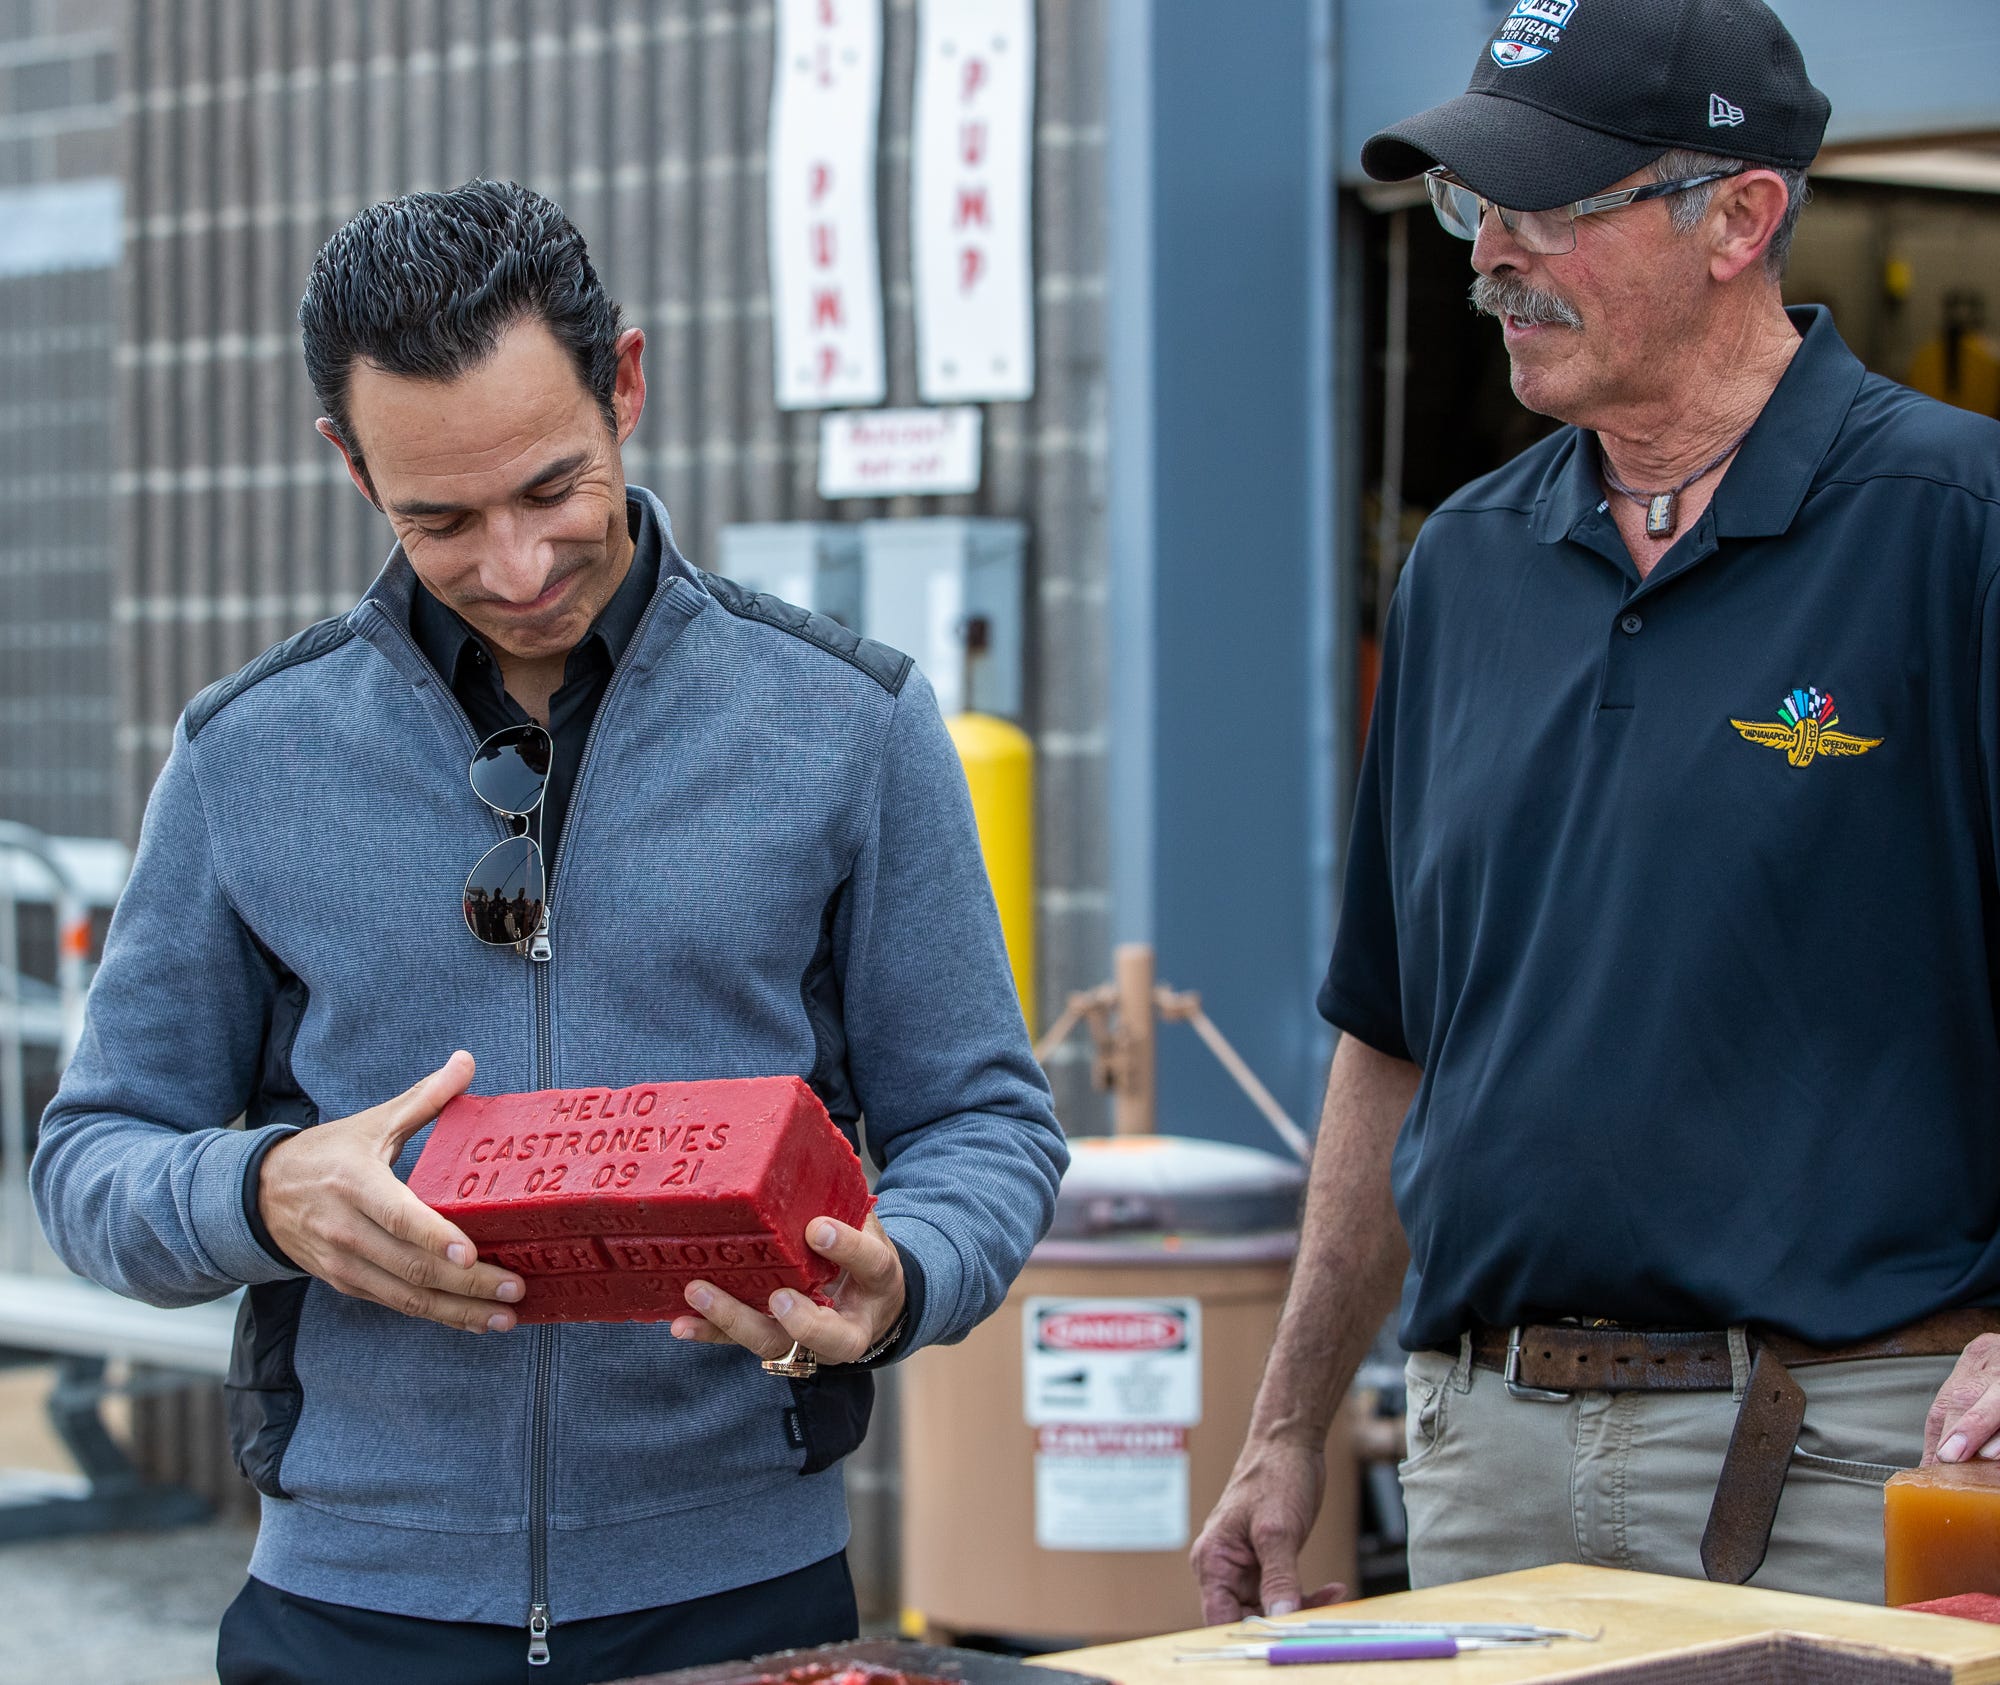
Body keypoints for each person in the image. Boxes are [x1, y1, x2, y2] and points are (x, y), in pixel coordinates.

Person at [34, 180, 1067, 1684]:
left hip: (739, 1596)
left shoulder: (848, 721)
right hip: (348, 1614)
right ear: (349, 462)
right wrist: (262, 1192)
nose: (515, 569)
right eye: (440, 521)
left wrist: (909, 1270)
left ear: (626, 385)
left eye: (551, 489)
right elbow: (90, 1157)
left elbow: (983, 1120)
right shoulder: (245, 751)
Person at [1193, 0, 2000, 1617]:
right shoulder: (1463, 565)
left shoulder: (1954, 523)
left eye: (1549, 206)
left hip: (1850, 1457)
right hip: (1483, 1459)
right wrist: (1285, 1424)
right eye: (1474, 205)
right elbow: (1389, 1034)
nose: (1493, 255)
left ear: (1741, 218)